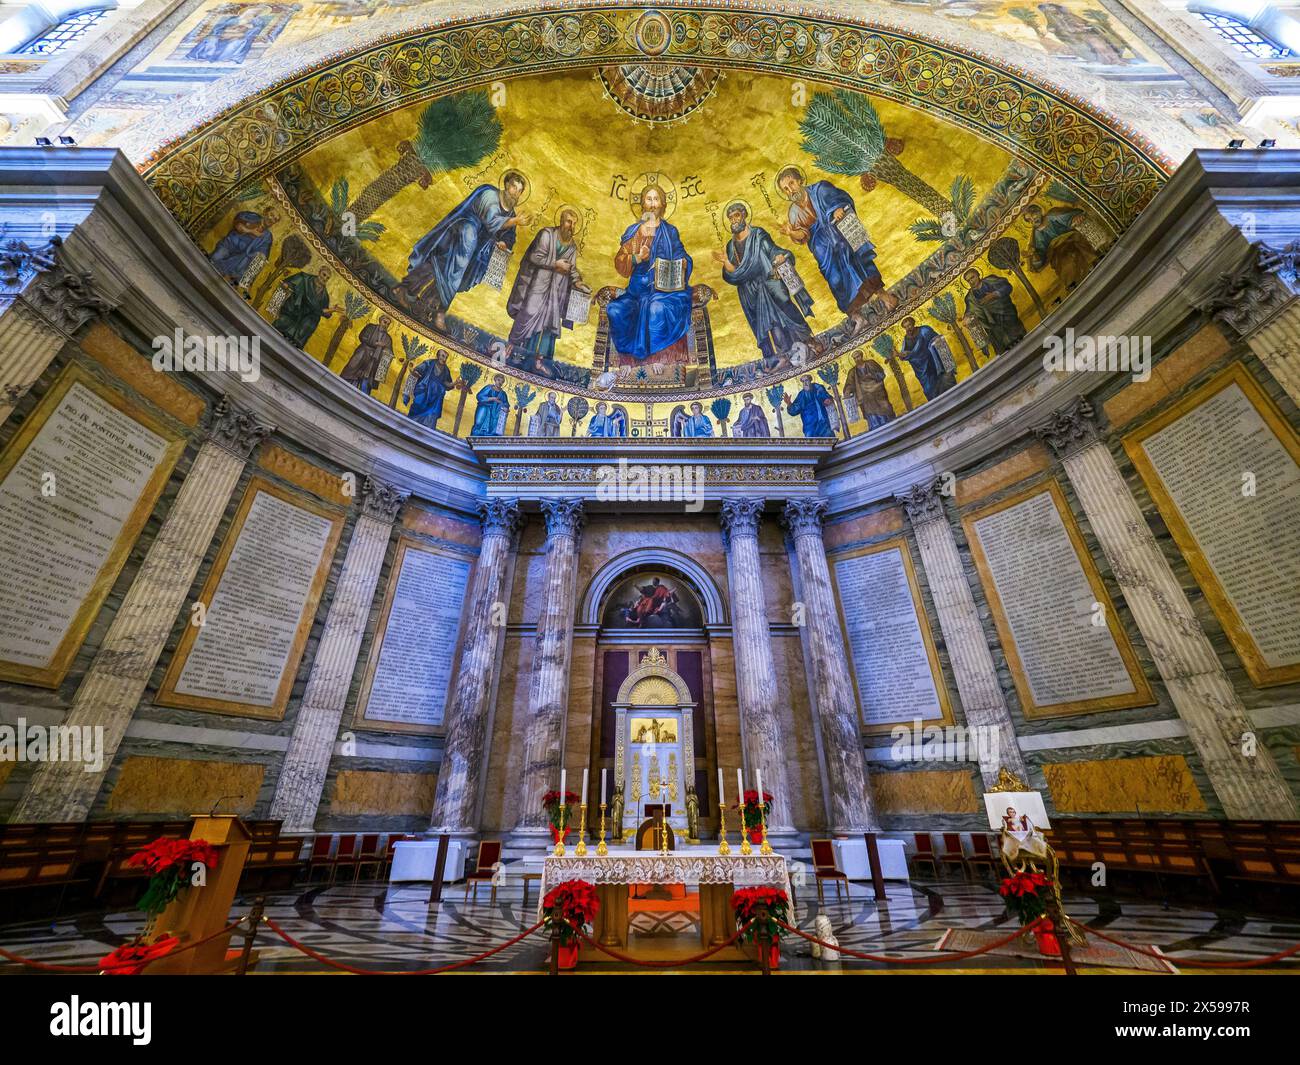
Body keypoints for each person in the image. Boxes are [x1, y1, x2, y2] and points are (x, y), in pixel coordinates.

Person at [398, 170, 533, 328]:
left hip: (476, 252)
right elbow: (490, 221)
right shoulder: (489, 194)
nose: (515, 193)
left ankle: (428, 308)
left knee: (458, 278)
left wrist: (504, 242)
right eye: (514, 187)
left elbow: (509, 235)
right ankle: (404, 290)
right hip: (460, 236)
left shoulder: (511, 213)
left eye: (519, 191)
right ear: (506, 185)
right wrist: (514, 221)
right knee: (440, 266)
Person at [777, 165, 897, 320]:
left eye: (791, 183)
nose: (790, 190)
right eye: (785, 189)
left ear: (800, 180)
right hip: (823, 250)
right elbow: (803, 235)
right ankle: (857, 317)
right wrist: (791, 232)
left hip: (840, 236)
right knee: (836, 280)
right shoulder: (793, 213)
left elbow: (840, 199)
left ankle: (886, 298)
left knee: (858, 264)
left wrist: (836, 208)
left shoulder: (820, 189)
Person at [714, 201, 815, 366]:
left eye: (736, 215)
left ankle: (808, 340)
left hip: (770, 281)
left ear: (744, 215)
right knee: (770, 323)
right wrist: (725, 261)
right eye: (730, 218)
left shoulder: (758, 234)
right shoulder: (731, 246)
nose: (733, 220)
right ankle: (784, 355)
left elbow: (772, 250)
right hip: (751, 290)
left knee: (786, 306)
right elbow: (734, 272)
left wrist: (780, 257)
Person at [607, 183, 693, 362]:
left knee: (656, 309)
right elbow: (620, 262)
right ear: (643, 205)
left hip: (665, 291)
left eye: (656, 199)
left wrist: (684, 262)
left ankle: (658, 359)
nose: (653, 204)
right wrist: (637, 258)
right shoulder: (634, 231)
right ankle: (628, 362)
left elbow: (681, 255)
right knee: (615, 310)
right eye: (649, 199)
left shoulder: (670, 231)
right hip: (636, 291)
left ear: (662, 204)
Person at [506, 206, 588, 359]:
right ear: (561, 221)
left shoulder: (572, 246)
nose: (572, 226)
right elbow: (535, 257)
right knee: (528, 313)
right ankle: (511, 346)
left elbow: (572, 268)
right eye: (569, 222)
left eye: (574, 223)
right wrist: (556, 264)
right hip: (539, 284)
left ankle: (539, 360)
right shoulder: (547, 234)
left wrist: (577, 282)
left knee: (549, 323)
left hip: (557, 289)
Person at [1024, 203, 1097, 289]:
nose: (1032, 219)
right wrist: (1034, 255)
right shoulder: (1037, 234)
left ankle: (1092, 266)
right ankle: (1073, 283)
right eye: (1029, 219)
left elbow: (1069, 216)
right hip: (1058, 253)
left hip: (1071, 240)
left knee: (1077, 251)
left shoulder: (1052, 216)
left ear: (1040, 211)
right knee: (1064, 263)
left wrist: (1075, 218)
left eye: (1033, 215)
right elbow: (1041, 254)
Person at [273, 264, 340, 348]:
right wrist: (287, 285)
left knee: (311, 322)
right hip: (294, 310)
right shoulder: (304, 278)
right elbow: (290, 283)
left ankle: (295, 343)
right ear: (319, 272)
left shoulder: (324, 296)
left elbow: (323, 311)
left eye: (327, 278)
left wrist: (332, 310)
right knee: (283, 323)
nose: (325, 278)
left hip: (307, 319)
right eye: (324, 274)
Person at [962, 267, 1026, 355]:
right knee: (1003, 349)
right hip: (992, 326)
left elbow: (1007, 287)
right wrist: (966, 317)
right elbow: (970, 309)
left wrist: (994, 294)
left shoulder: (991, 280)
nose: (971, 281)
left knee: (1018, 338)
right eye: (968, 280)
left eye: (972, 277)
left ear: (978, 275)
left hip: (1006, 314)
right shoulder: (970, 297)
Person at [209, 209, 276, 290]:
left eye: (275, 219)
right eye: (271, 215)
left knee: (235, 278)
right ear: (265, 212)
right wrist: (251, 231)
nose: (272, 219)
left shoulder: (267, 236)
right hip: (229, 245)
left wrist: (260, 255)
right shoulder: (252, 217)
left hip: (242, 258)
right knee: (214, 260)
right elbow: (238, 225)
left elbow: (263, 253)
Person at [899, 316, 956, 400]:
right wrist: (902, 355)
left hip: (935, 360)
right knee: (930, 389)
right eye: (906, 327)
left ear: (913, 324)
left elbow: (938, 340)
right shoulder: (907, 339)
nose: (908, 328)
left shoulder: (925, 330)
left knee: (946, 381)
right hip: (923, 367)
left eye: (909, 325)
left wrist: (946, 360)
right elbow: (906, 353)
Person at [339, 314, 394, 396]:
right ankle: (343, 388)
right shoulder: (370, 327)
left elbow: (389, 351)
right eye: (384, 322)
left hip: (374, 361)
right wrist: (375, 343)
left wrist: (385, 350)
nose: (385, 325)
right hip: (363, 353)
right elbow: (362, 336)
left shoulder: (388, 338)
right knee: (352, 371)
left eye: (387, 324)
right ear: (380, 320)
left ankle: (361, 397)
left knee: (367, 379)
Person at [844, 350, 895, 429]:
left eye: (858, 357)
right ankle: (875, 426)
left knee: (884, 407)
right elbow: (849, 383)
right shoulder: (852, 372)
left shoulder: (871, 363)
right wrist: (847, 390)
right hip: (864, 396)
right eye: (855, 358)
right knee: (869, 411)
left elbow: (881, 374)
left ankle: (887, 422)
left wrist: (872, 376)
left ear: (862, 356)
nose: (857, 359)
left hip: (878, 391)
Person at [406, 348, 453, 428]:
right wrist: (416, 372)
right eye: (443, 356)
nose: (444, 359)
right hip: (424, 388)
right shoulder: (429, 363)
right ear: (438, 355)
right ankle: (410, 423)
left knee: (432, 412)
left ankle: (427, 427)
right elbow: (419, 369)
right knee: (418, 404)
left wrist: (455, 383)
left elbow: (447, 383)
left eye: (446, 357)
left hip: (436, 395)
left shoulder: (446, 370)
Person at [470, 372, 510, 436]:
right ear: (495, 379)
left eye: (502, 382)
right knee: (479, 423)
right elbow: (479, 396)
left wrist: (505, 408)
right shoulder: (488, 388)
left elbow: (506, 404)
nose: (500, 383)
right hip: (484, 408)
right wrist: (492, 399)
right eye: (498, 380)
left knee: (492, 428)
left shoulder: (503, 394)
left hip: (495, 413)